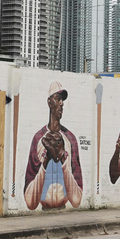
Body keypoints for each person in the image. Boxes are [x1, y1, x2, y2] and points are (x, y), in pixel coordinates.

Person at [24, 81, 83, 210]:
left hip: (63, 211)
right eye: (57, 98)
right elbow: (30, 203)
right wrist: (46, 161)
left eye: (62, 100)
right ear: (49, 102)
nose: (61, 103)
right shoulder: (38, 139)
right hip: (43, 213)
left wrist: (63, 158)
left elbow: (76, 200)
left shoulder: (70, 139)